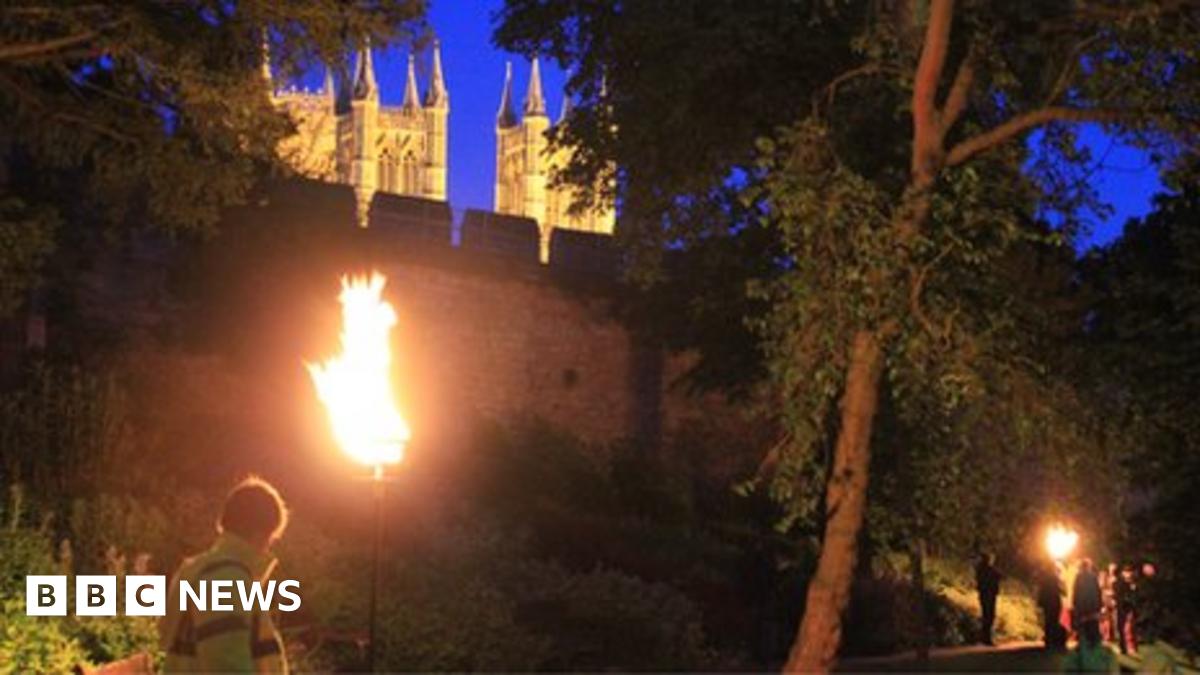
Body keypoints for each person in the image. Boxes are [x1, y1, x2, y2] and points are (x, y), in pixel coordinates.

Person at [160, 476, 290, 673]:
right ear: (261, 532)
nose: (268, 547)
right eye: (271, 538)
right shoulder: (226, 578)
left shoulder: (199, 570)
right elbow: (227, 665)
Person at [1037, 562, 1068, 649]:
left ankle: (1048, 640)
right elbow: (1062, 591)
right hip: (1054, 602)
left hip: (1047, 603)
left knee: (1048, 621)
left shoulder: (1044, 578)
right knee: (1054, 621)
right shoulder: (1055, 578)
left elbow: (1042, 590)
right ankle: (1053, 640)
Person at [975, 552, 1002, 645]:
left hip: (985, 594)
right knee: (989, 615)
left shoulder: (980, 570)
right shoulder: (988, 570)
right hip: (988, 594)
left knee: (987, 615)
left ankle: (985, 637)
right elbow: (999, 576)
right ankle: (986, 638)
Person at [1113, 564, 1139, 654]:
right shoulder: (1127, 583)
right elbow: (1132, 593)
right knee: (1129, 627)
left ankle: (1123, 647)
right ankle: (1132, 646)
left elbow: (1118, 595)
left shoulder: (1118, 583)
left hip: (1122, 607)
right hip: (1127, 606)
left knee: (1121, 627)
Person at [1072, 559, 1103, 631]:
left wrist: (1075, 602)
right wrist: (1099, 603)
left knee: (1082, 624)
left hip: (1082, 605)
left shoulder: (1079, 577)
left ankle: (1084, 638)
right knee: (1092, 623)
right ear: (1088, 566)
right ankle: (1092, 638)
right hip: (1092, 604)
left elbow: (1076, 590)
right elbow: (1098, 591)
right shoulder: (1093, 577)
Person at [1099, 563, 1118, 642]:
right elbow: (1102, 588)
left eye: (1113, 568)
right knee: (1106, 618)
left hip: (1112, 600)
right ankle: (1107, 635)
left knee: (1113, 618)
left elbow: (1115, 589)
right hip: (1106, 599)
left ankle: (1113, 635)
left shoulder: (1115, 578)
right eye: (1110, 568)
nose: (1111, 570)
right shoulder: (1106, 578)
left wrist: (1112, 595)